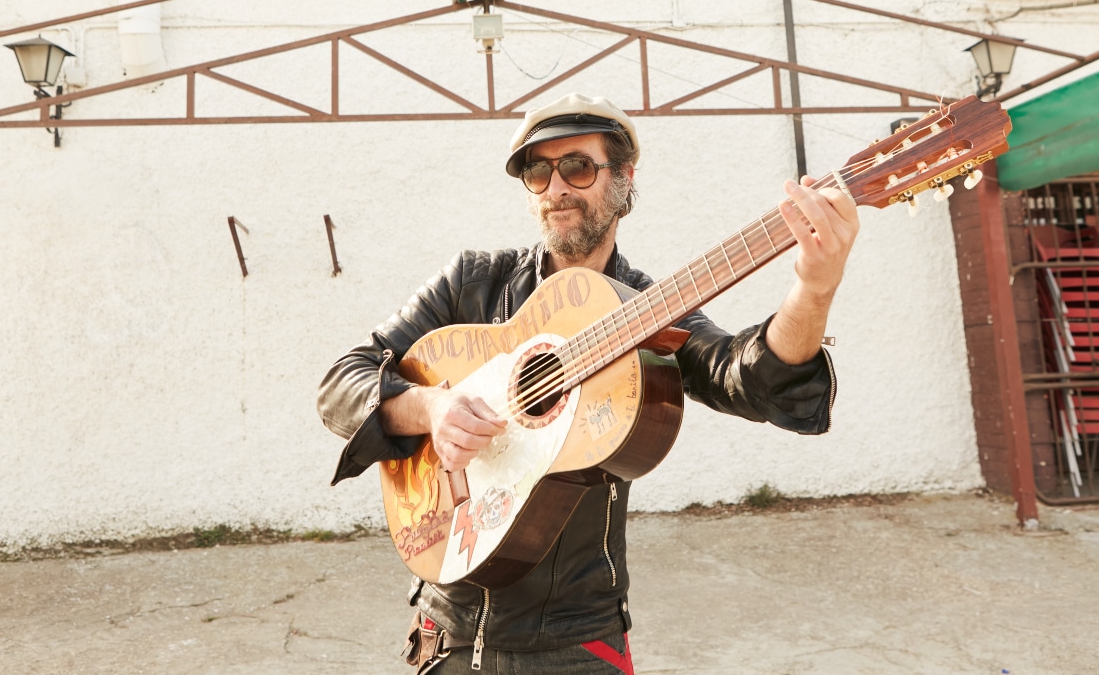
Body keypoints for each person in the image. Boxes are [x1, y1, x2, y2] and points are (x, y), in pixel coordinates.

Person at [317, 93, 859, 673]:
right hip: (443, 634)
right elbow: (341, 383)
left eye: (576, 166)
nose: (556, 188)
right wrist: (430, 407)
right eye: (537, 171)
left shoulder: (649, 310)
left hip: (578, 642)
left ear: (625, 178)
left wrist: (814, 287)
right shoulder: (471, 285)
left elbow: (745, 377)